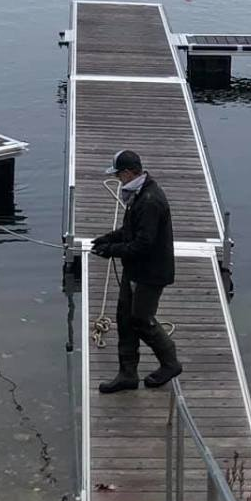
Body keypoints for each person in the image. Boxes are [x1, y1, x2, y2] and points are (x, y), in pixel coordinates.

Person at [90, 150, 182, 393]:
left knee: (142, 320)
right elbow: (131, 231)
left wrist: (111, 250)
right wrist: (107, 239)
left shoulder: (151, 200)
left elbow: (143, 244)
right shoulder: (139, 194)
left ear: (129, 172)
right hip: (135, 271)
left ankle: (170, 364)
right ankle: (127, 374)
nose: (118, 179)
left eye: (119, 175)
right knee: (124, 319)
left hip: (150, 273)